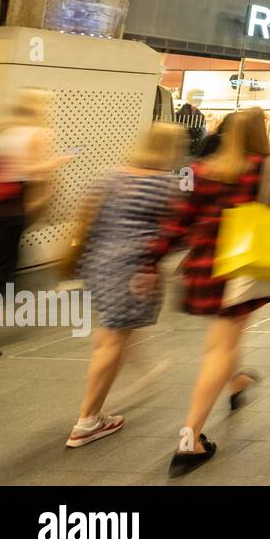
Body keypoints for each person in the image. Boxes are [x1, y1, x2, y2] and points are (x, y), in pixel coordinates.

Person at [146, 106, 270, 476]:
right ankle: (189, 440)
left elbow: (177, 221)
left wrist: (152, 261)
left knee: (229, 335)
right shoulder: (269, 168)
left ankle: (236, 383)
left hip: (204, 269)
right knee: (220, 346)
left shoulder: (199, 171)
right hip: (240, 270)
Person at [66, 123, 186, 447]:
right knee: (112, 340)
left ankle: (100, 407)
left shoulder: (110, 176)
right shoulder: (167, 184)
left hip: (98, 265)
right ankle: (88, 421)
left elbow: (86, 217)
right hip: (136, 271)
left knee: (112, 334)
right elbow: (176, 233)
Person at [0, 88, 71, 361]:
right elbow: (30, 170)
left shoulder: (4, 131)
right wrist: (57, 161)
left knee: (2, 266)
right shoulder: (37, 133)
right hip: (12, 207)